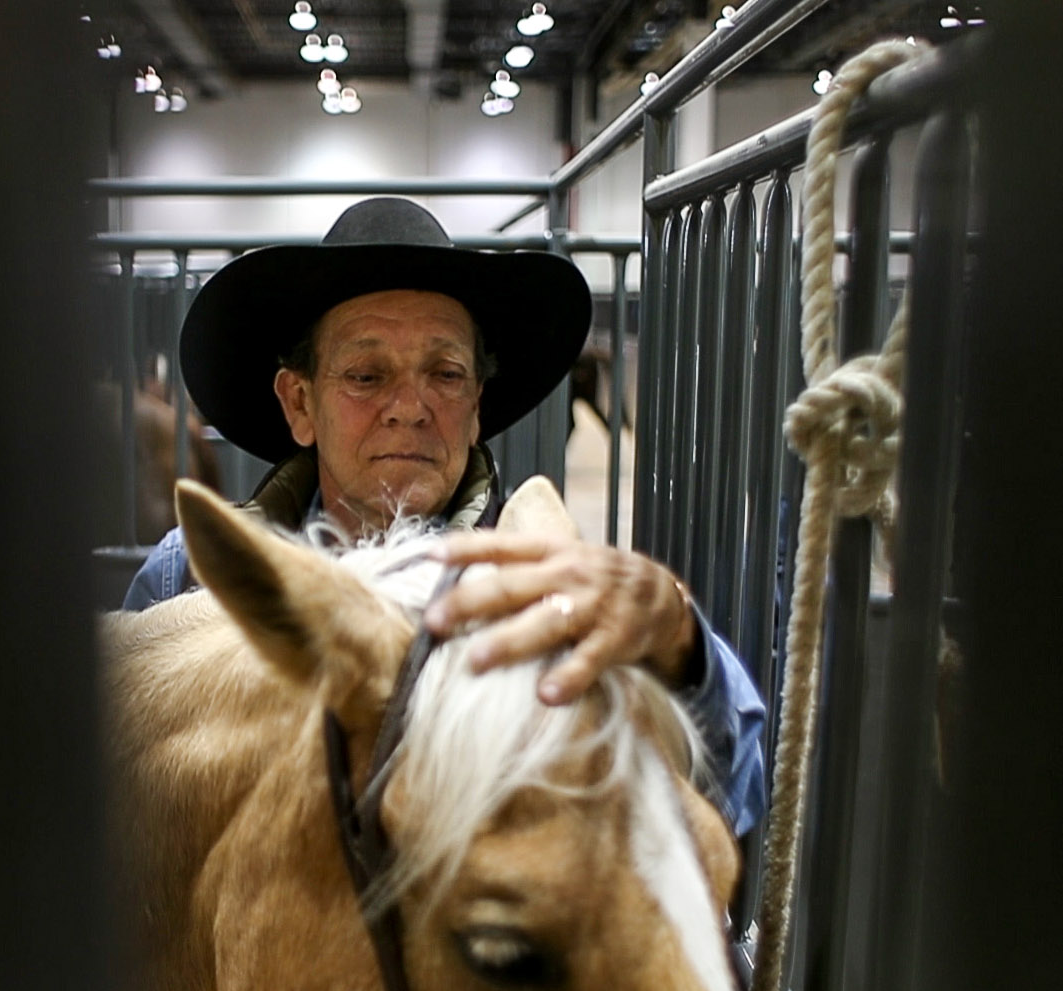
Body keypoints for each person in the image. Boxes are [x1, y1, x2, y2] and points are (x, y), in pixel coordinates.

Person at [122, 197, 765, 836]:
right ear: (299, 403)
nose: (411, 406)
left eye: (446, 373)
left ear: (477, 403)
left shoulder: (544, 588)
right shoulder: (191, 578)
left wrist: (681, 652)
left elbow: (734, 791)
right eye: (367, 375)